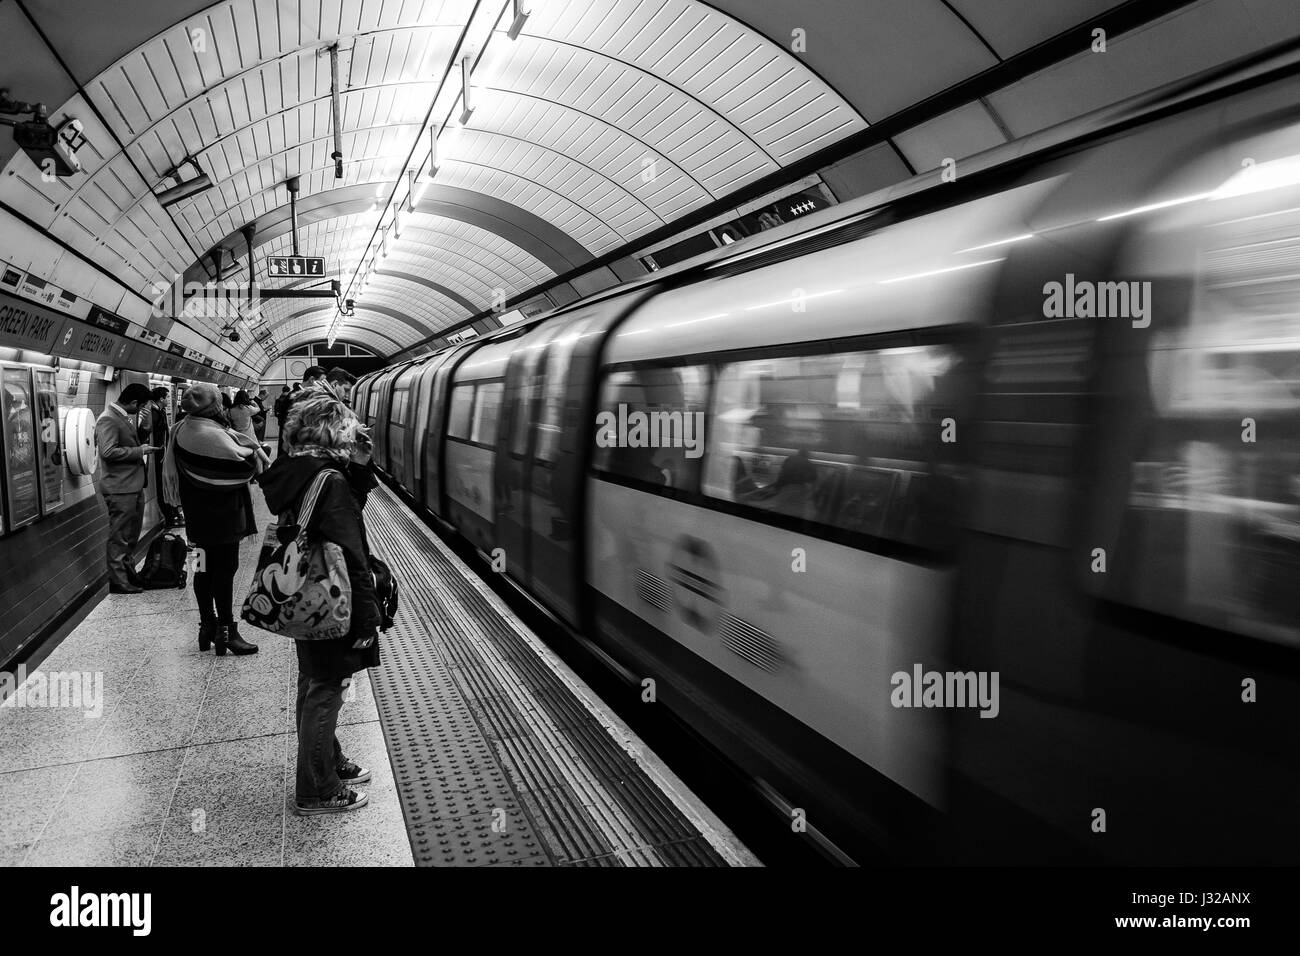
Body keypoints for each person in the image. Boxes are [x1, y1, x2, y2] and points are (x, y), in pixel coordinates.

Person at [259, 391, 381, 815]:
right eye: (348, 427)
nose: (354, 434)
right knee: (326, 690)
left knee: (313, 682)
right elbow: (352, 553)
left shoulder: (304, 469)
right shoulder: (329, 480)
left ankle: (328, 762)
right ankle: (317, 789)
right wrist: (366, 621)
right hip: (331, 597)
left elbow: (343, 513)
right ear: (333, 431)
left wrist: (360, 468)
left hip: (305, 595)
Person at [162, 383, 268, 656]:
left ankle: (206, 627)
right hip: (222, 520)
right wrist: (252, 450)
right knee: (225, 571)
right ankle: (226, 633)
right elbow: (242, 466)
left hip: (196, 522)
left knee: (202, 569)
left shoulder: (181, 429)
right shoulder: (207, 434)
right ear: (213, 407)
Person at [95, 383, 162, 593]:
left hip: (132, 485)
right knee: (119, 536)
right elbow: (108, 452)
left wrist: (145, 426)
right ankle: (118, 582)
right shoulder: (108, 418)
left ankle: (128, 574)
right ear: (133, 402)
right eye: (140, 405)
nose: (140, 409)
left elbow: (131, 440)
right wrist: (138, 451)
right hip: (119, 487)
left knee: (131, 536)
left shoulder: (122, 416)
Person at [138, 386, 182, 527]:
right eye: (167, 397)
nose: (169, 400)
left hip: (162, 453)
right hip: (158, 455)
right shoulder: (153, 414)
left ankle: (173, 514)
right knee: (162, 485)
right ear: (161, 399)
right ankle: (169, 517)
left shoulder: (159, 412)